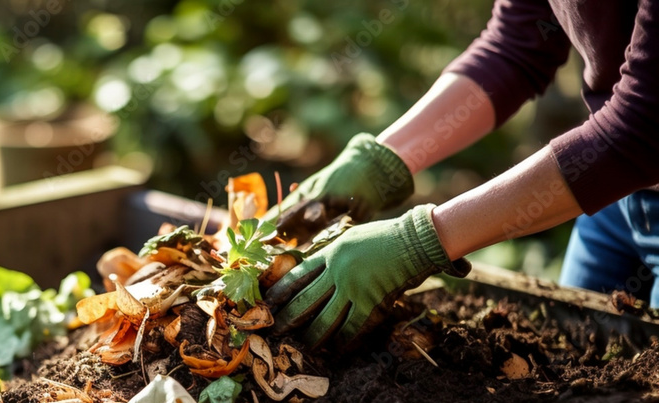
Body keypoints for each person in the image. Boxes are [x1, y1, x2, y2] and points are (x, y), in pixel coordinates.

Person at [266, 1, 659, 350]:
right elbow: (518, 43)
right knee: (580, 361)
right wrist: (380, 162)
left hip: (622, 160)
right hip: (614, 197)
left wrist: (419, 242)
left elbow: (643, 128)